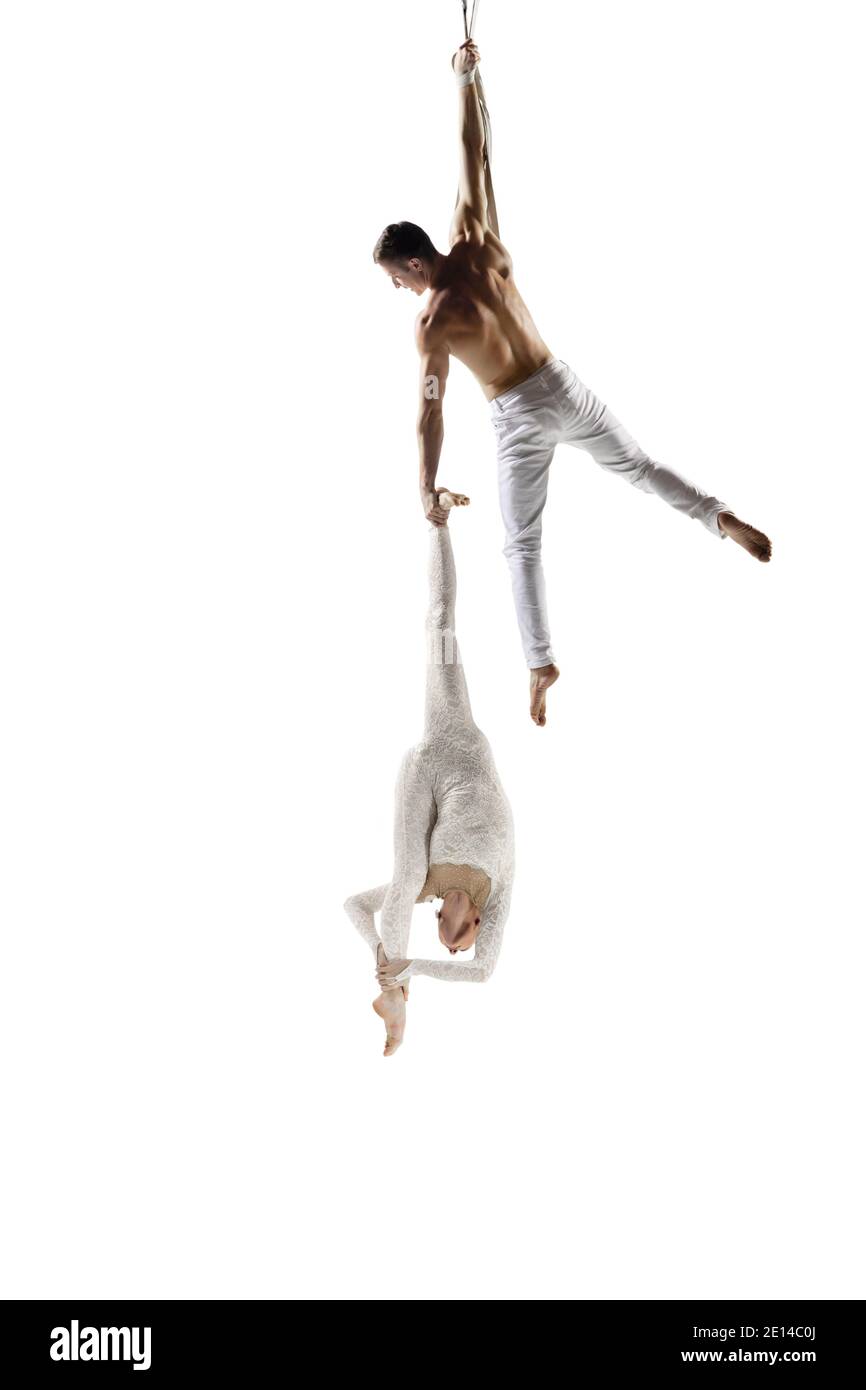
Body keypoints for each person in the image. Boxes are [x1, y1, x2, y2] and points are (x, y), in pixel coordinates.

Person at [372, 40, 772, 727]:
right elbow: (476, 156)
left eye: (395, 278)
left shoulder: (432, 322)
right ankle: (718, 516)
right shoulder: (478, 239)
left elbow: (429, 415)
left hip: (517, 417)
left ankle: (540, 661)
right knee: (641, 468)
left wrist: (423, 489)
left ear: (413, 262)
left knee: (522, 542)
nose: (396, 289)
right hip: (562, 384)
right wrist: (468, 78)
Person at [343, 492, 514, 1057]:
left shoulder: (428, 889)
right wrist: (409, 962)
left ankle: (393, 997)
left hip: (422, 775)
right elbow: (485, 970)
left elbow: (352, 906)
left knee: (402, 882)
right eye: (448, 920)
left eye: (438, 915)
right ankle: (438, 520)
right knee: (440, 624)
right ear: (471, 922)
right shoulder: (500, 886)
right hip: (455, 737)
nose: (441, 911)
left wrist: (389, 960)